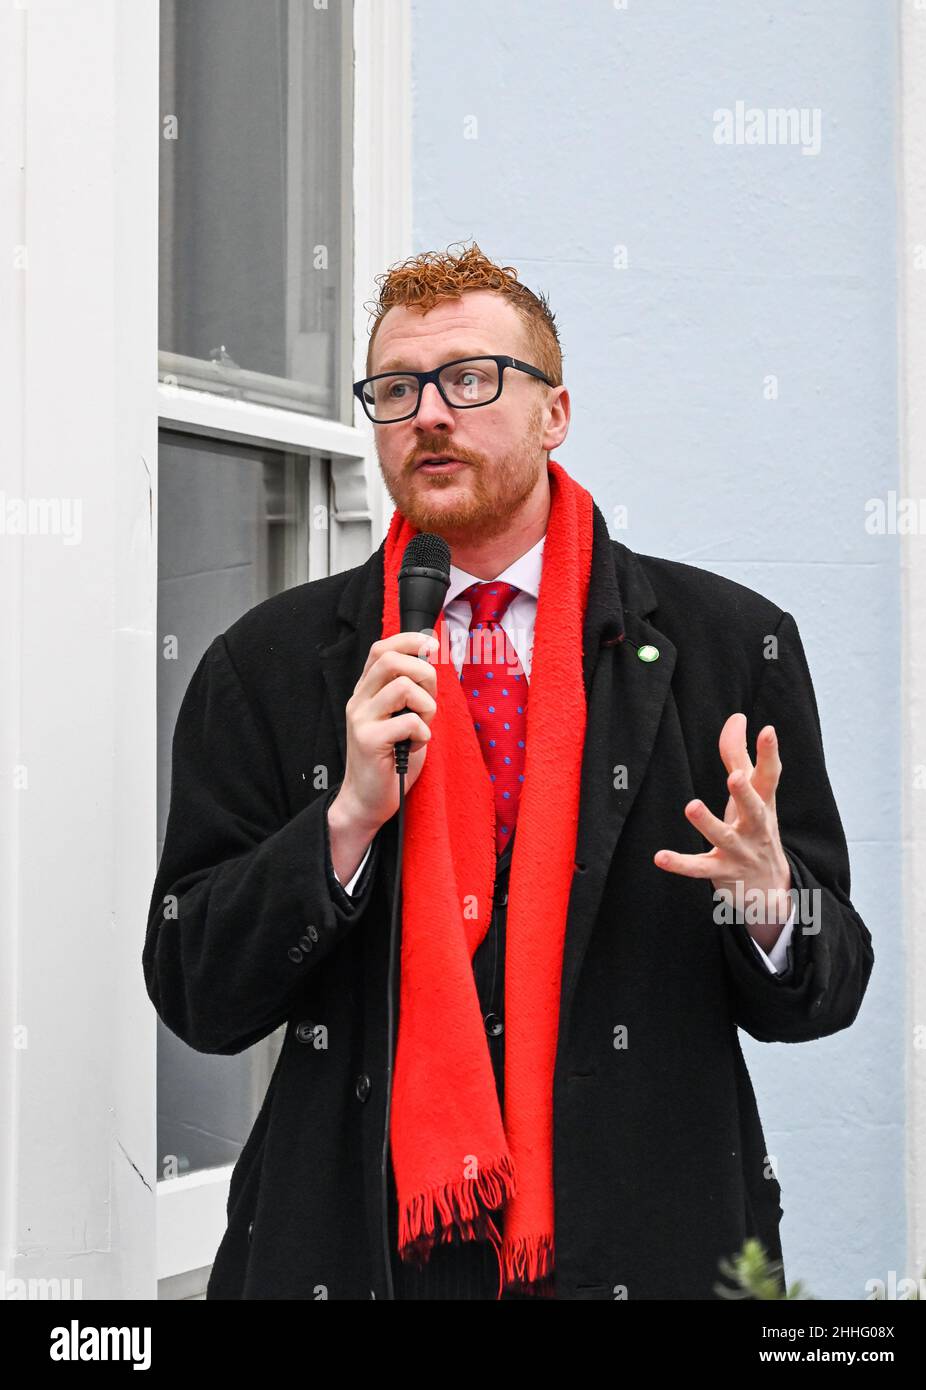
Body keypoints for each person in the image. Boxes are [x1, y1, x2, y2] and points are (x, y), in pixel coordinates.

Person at [142, 241, 874, 1300]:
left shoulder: (728, 643)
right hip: (354, 1254)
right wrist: (342, 821)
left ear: (554, 413)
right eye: (396, 388)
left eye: (470, 379)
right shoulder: (266, 664)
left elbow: (825, 989)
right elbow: (197, 992)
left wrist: (769, 903)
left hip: (640, 1248)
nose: (429, 413)